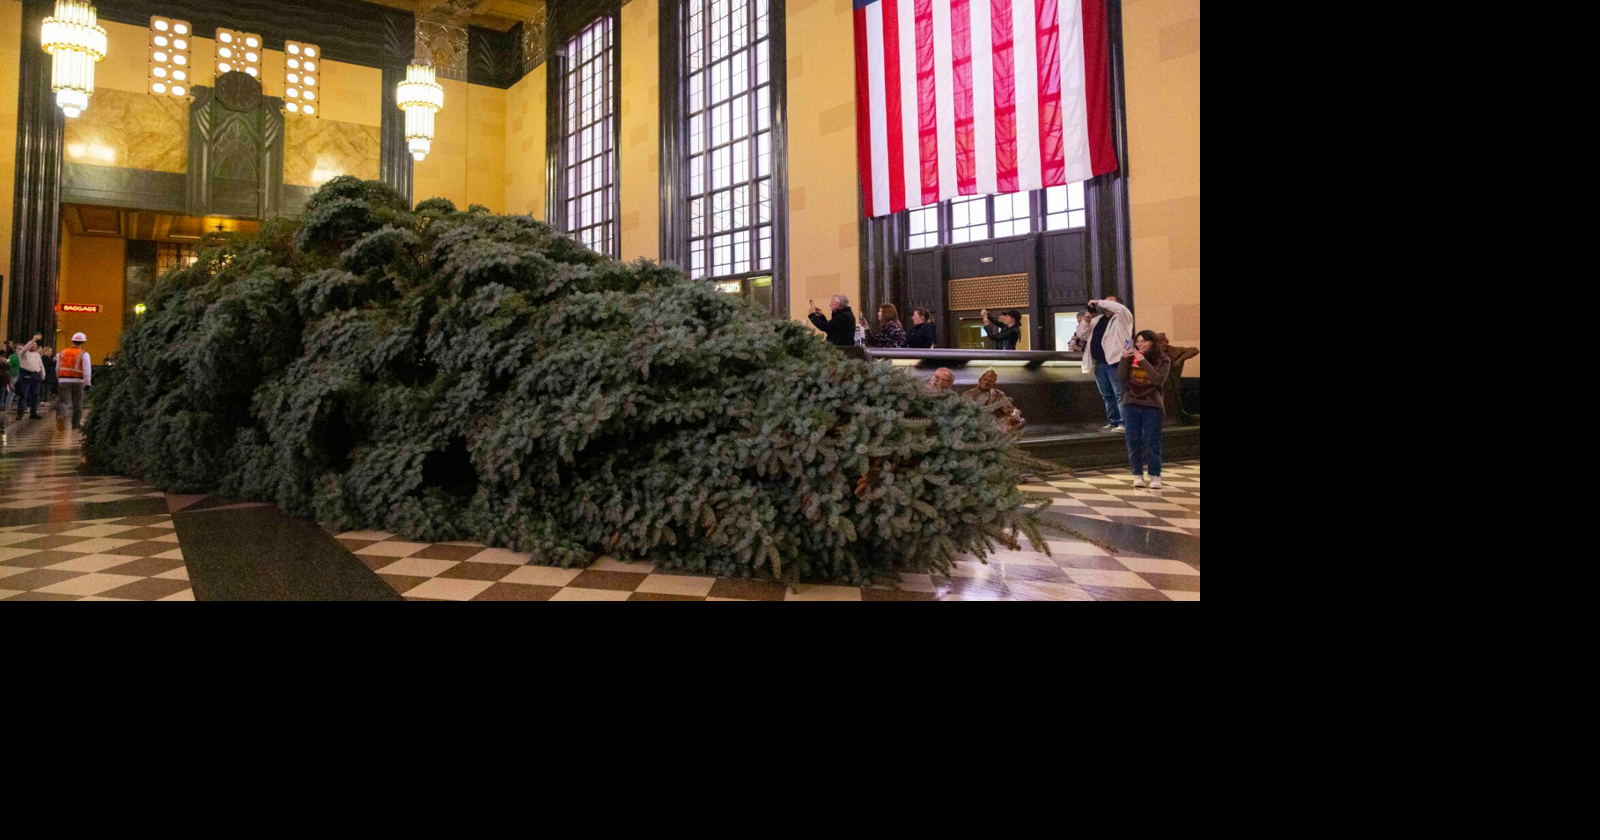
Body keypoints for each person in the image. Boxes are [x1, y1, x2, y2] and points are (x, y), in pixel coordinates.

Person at [1119, 329, 1171, 489]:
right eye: (1138, 341)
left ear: (1152, 342)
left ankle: (1155, 475)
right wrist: (1124, 359)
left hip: (1152, 404)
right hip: (1131, 403)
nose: (1140, 344)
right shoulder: (1130, 357)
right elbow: (1120, 378)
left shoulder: (1163, 359)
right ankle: (1137, 474)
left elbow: (1158, 380)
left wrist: (1142, 360)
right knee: (1133, 440)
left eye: (1144, 341)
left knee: (1152, 441)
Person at [1083, 297, 1134, 432]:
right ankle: (1113, 422)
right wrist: (1086, 320)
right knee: (1107, 395)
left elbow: (1121, 308)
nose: (1106, 305)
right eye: (1105, 302)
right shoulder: (1097, 320)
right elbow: (1081, 335)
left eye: (1110, 302)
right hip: (1099, 363)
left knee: (1120, 394)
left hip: (1116, 362)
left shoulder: (1123, 317)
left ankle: (1125, 423)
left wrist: (1098, 301)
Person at [964, 369, 1026, 434]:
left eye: (990, 381)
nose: (987, 382)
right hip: (974, 425)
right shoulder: (968, 394)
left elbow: (1009, 409)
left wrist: (1015, 413)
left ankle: (1002, 439)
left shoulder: (999, 394)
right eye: (985, 379)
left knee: (1020, 421)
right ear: (980, 380)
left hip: (994, 424)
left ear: (994, 384)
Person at [56, 332, 92, 431]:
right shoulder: (84, 354)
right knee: (78, 403)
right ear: (83, 343)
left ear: (72, 341)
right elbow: (87, 370)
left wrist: (59, 379)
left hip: (63, 379)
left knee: (63, 401)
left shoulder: (62, 352)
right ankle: (75, 424)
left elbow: (57, 368)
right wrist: (88, 383)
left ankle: (61, 415)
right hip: (78, 381)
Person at [13, 334, 44, 420]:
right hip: (26, 374)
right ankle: (20, 413)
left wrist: (43, 373)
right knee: (23, 394)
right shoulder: (23, 353)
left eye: (35, 345)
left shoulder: (37, 355)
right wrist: (33, 340)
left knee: (35, 395)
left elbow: (40, 365)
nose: (34, 346)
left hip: (36, 375)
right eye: (32, 345)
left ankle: (33, 412)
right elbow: (25, 348)